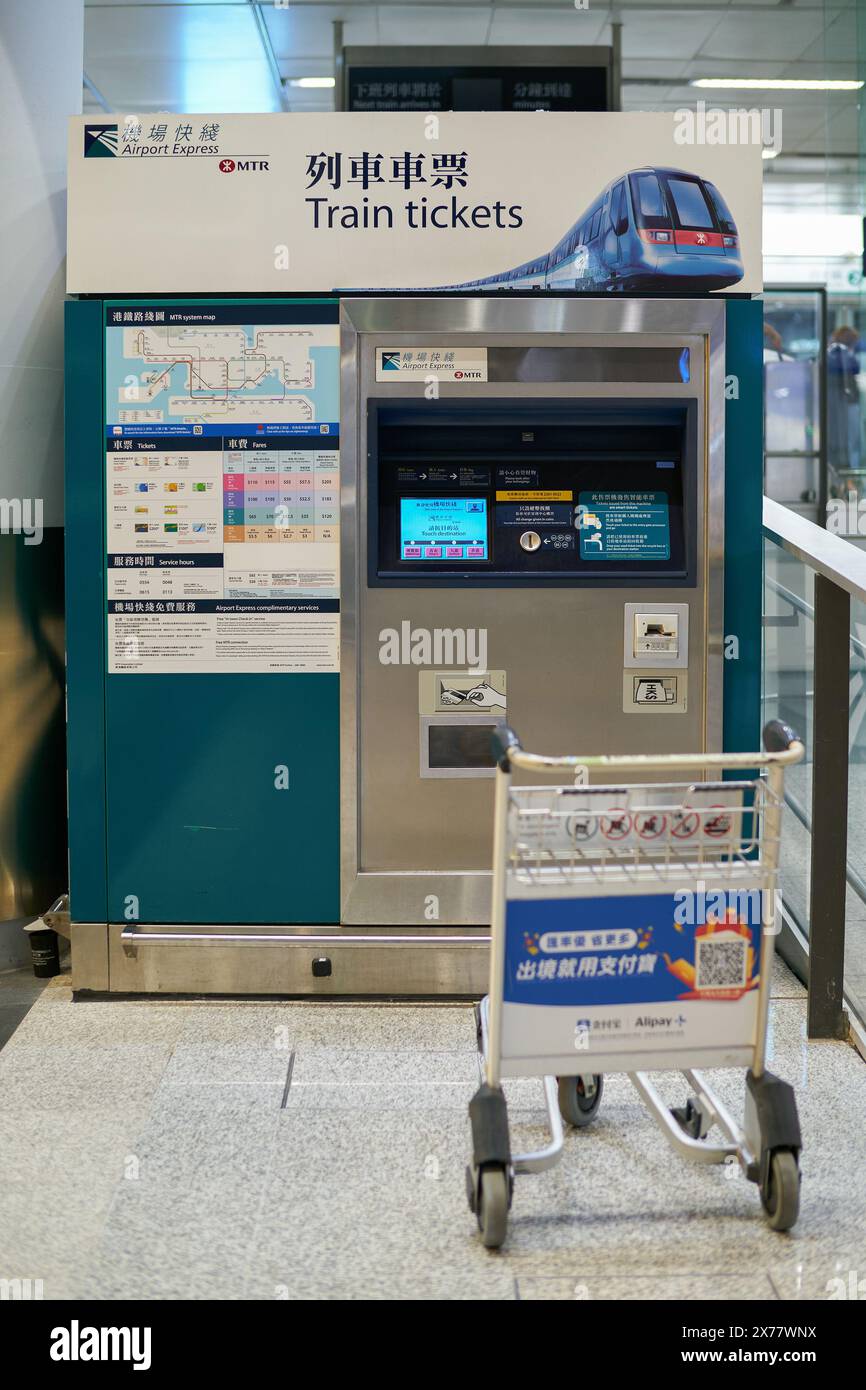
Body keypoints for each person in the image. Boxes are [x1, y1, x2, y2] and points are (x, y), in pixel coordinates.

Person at [827, 324, 861, 477]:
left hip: (843, 402)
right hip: (846, 403)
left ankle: (848, 474)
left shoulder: (834, 353)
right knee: (851, 441)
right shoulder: (840, 353)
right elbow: (855, 366)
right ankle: (850, 475)